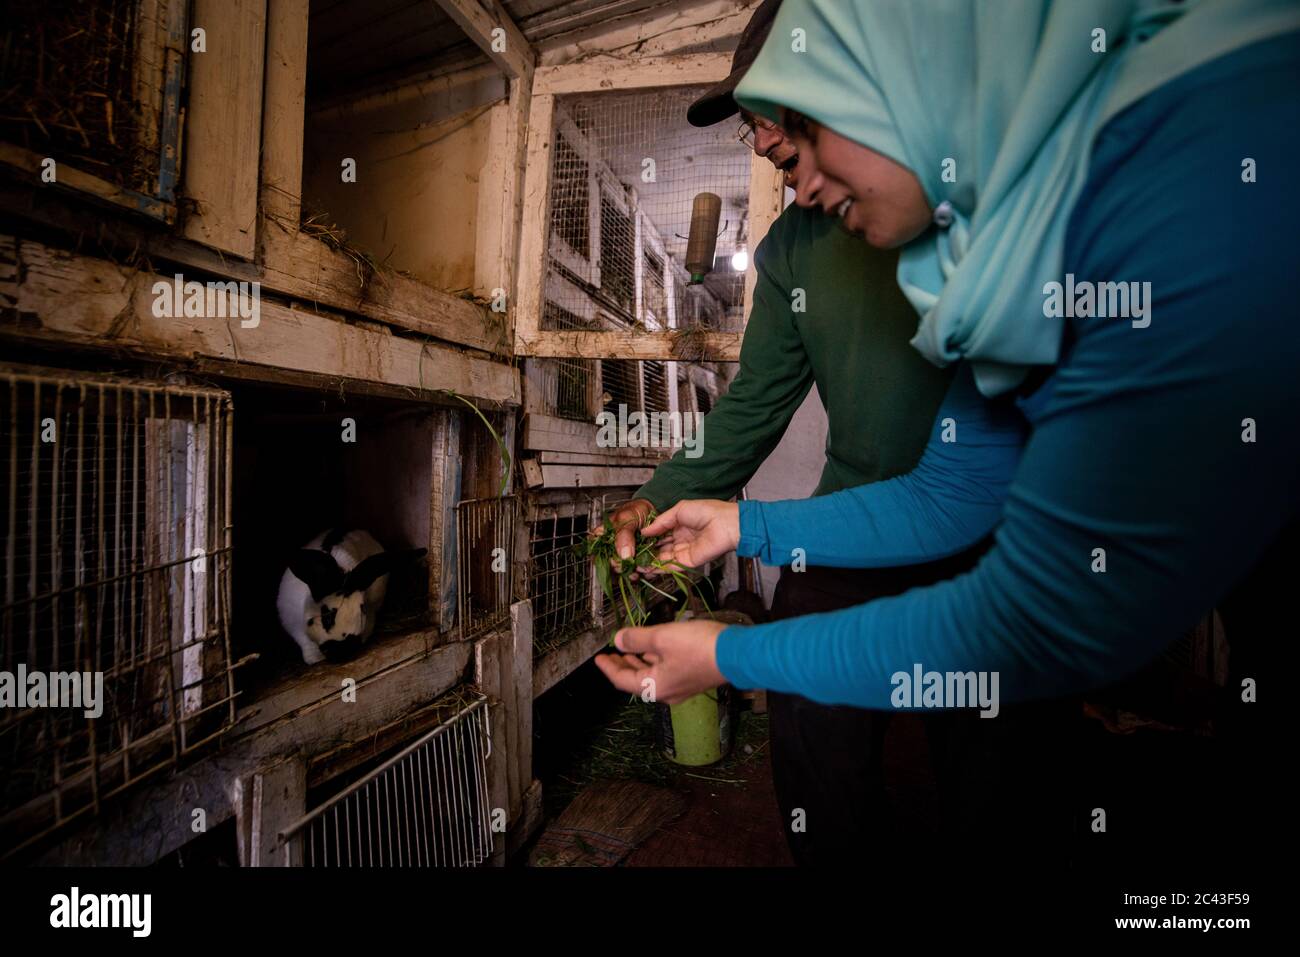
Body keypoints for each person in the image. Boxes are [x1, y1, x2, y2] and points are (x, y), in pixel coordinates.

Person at [596, 0, 1300, 856]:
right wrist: (734, 522)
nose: (791, 173)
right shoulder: (915, 259)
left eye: (801, 129)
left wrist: (734, 653)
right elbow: (951, 490)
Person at [593, 0, 1026, 864]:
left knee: (998, 749)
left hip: (999, 530)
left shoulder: (1017, 223)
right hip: (861, 508)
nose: (766, 154)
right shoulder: (792, 246)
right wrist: (662, 499)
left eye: (777, 130)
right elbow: (756, 402)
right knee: (813, 720)